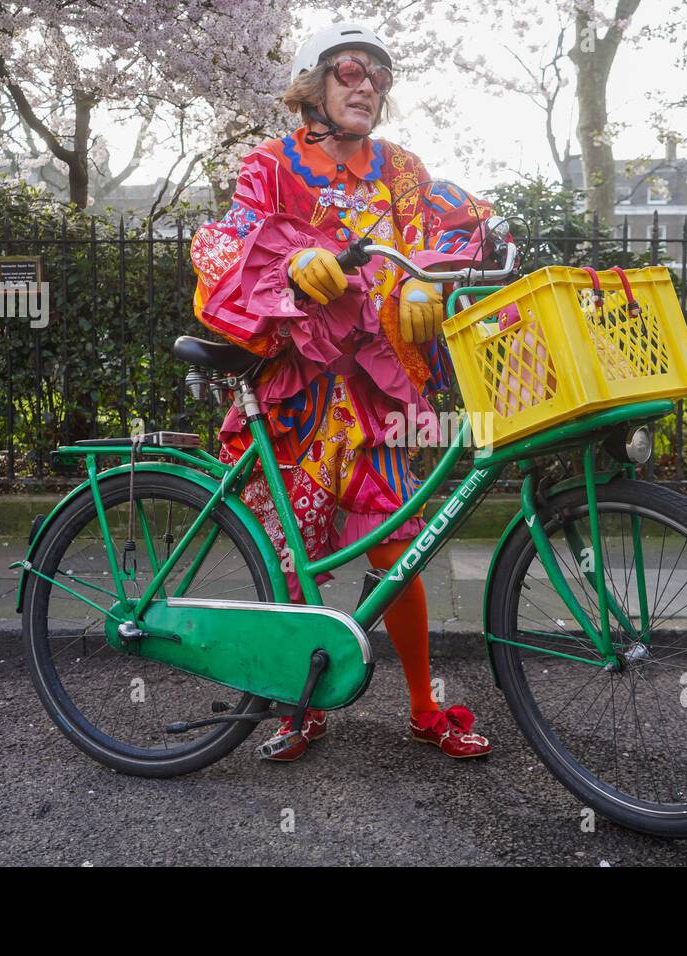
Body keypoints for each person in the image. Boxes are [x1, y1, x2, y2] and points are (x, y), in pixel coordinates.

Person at [189, 22, 497, 762]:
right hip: (295, 394)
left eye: (380, 78)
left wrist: (427, 278)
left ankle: (424, 707)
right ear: (313, 85)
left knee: (399, 547)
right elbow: (221, 246)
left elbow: (460, 228)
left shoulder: (403, 170)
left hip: (376, 397)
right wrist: (293, 269)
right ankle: (301, 709)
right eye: (352, 71)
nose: (368, 87)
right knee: (292, 556)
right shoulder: (269, 165)